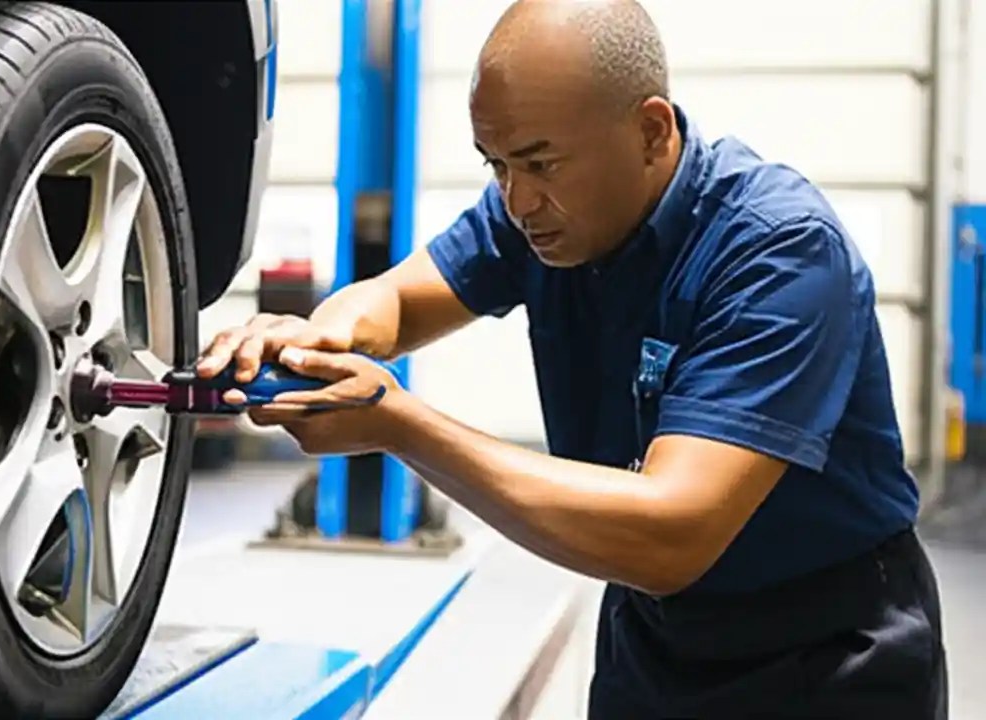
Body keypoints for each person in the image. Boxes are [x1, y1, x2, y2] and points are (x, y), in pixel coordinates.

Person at [198, 0, 949, 716]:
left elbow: (671, 532)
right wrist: (313, 345)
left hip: (823, 659)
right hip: (656, 640)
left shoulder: (780, 254)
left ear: (652, 132)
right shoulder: (538, 215)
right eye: (495, 165)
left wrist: (401, 427)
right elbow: (393, 302)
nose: (517, 200)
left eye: (540, 163)